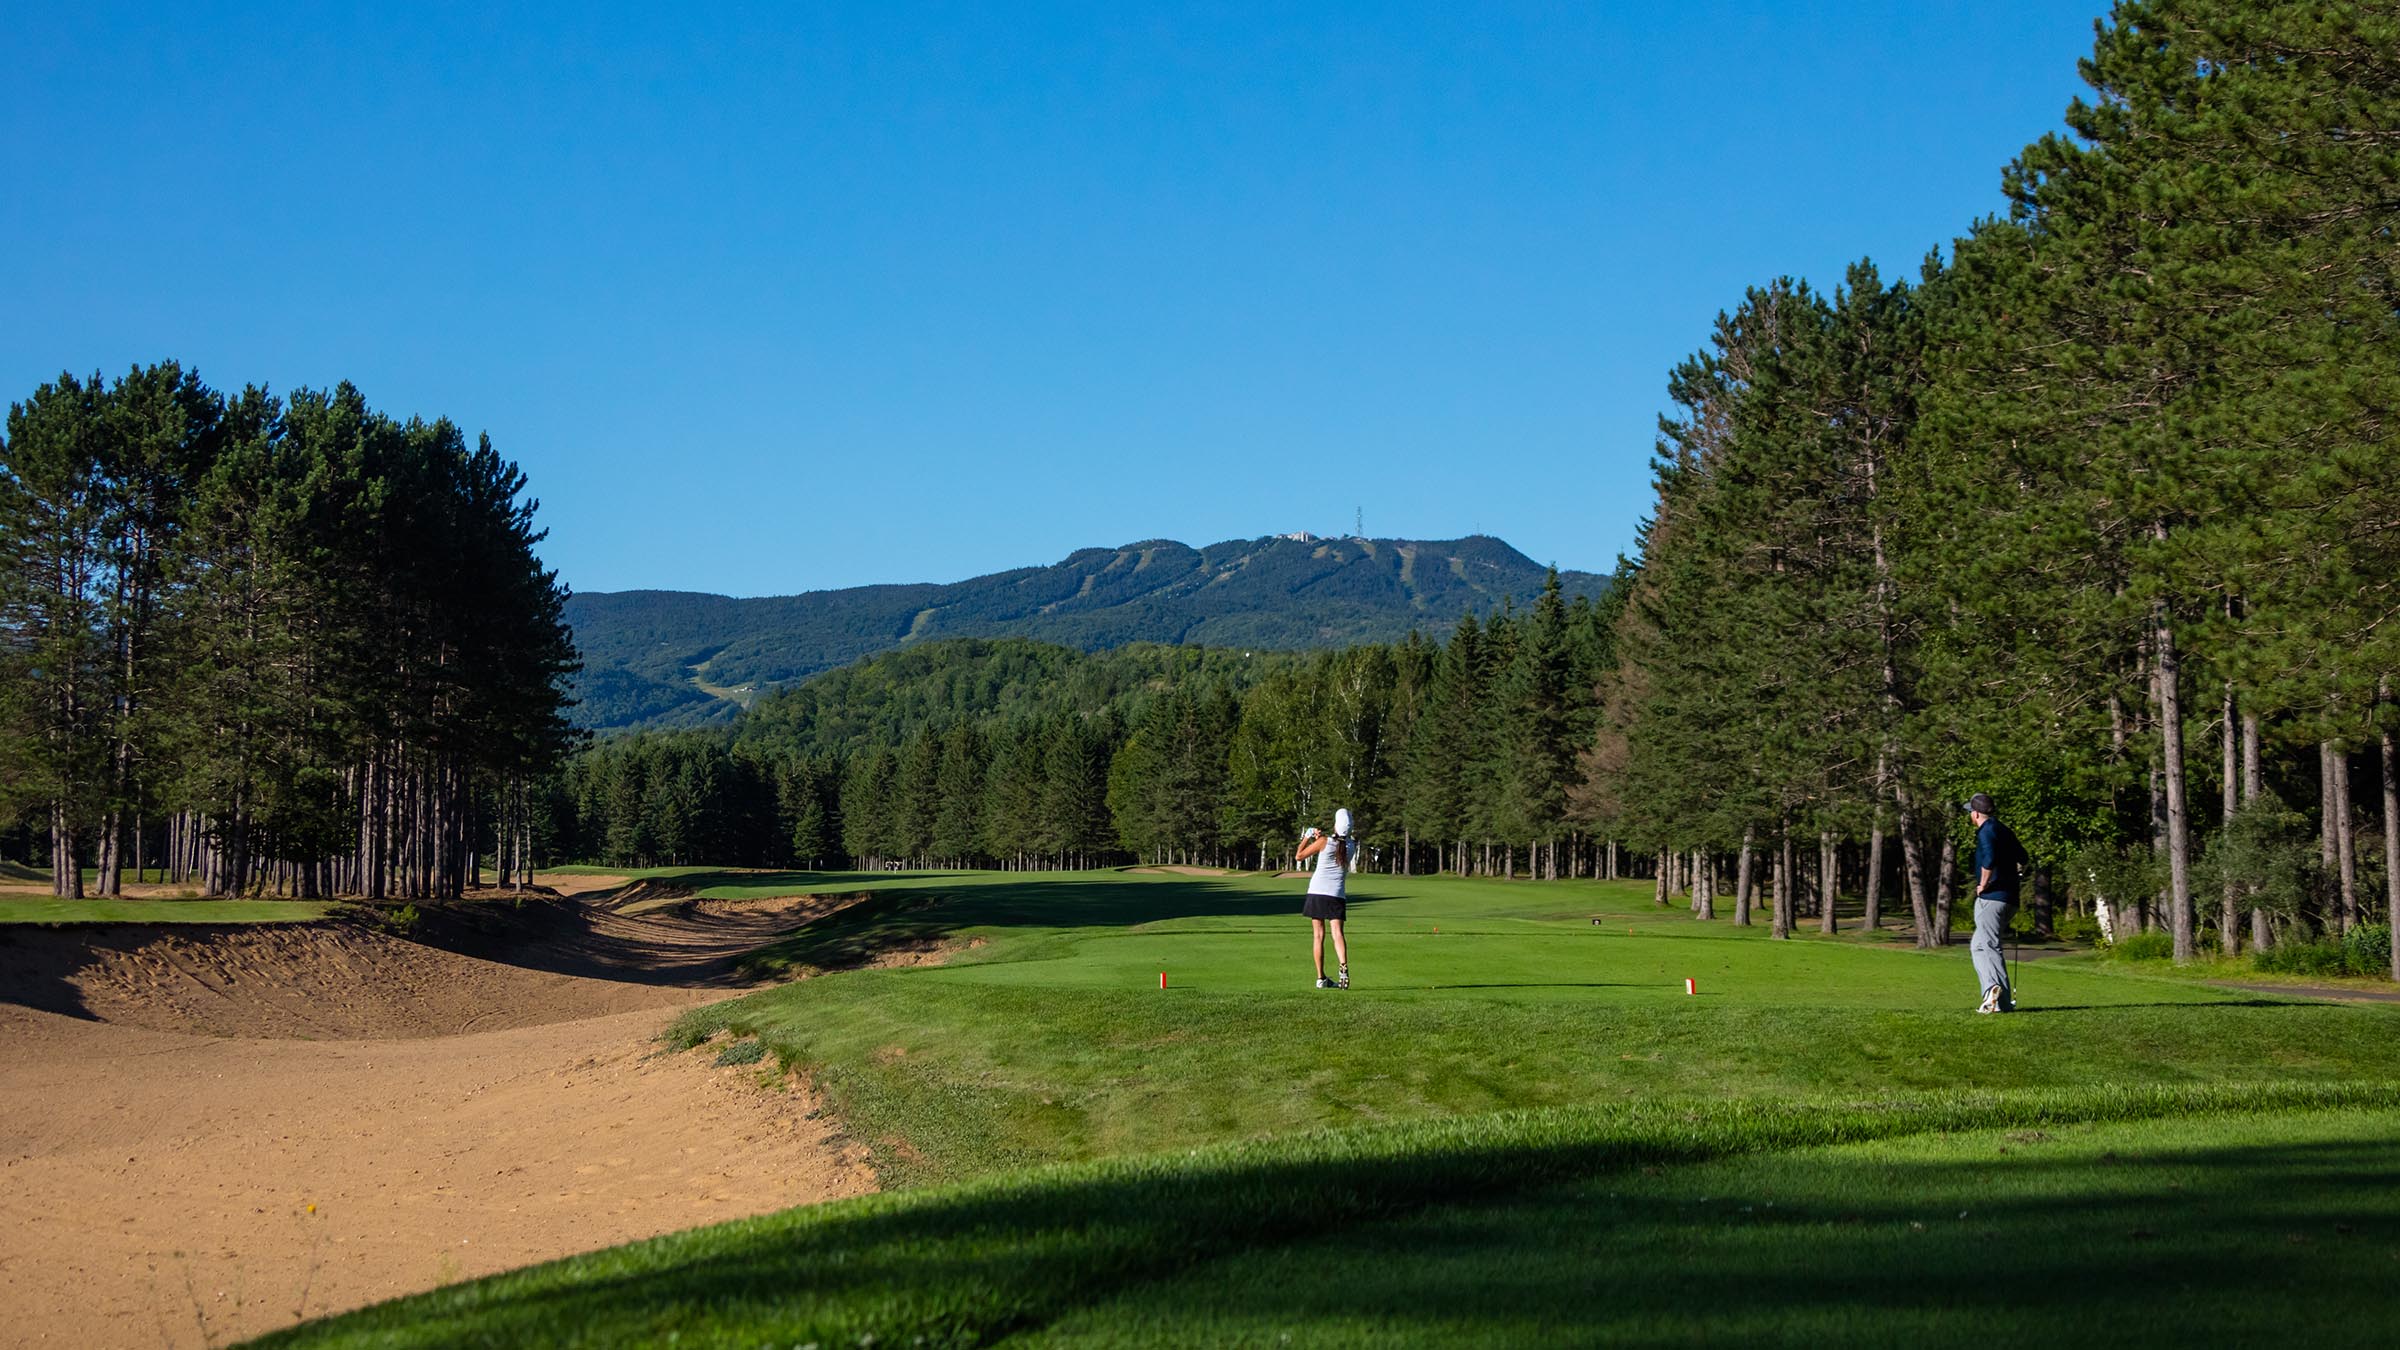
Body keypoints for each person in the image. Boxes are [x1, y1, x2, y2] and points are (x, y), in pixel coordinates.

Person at [1966, 792, 2024, 1013]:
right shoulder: (2003, 829)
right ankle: (2002, 1003)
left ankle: (1992, 989)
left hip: (1992, 898)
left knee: (1988, 945)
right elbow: (2024, 857)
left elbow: (1988, 859)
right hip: (2010, 899)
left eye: (1971, 811)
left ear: (1977, 813)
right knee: (1978, 946)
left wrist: (1983, 884)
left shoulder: (1986, 831)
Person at [1297, 807, 1355, 989]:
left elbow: (1299, 856)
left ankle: (1321, 978)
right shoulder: (1351, 846)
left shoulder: (1324, 841)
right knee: (1337, 933)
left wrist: (1307, 836)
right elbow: (1337, 844)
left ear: (1336, 825)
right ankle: (1343, 967)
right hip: (1337, 894)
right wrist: (1320, 839)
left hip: (1317, 892)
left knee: (1318, 936)